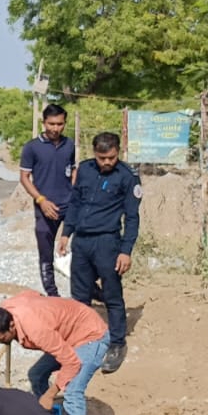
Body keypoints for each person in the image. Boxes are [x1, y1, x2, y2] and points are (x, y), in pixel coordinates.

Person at [58, 132, 142, 374]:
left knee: (112, 296)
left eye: (111, 157)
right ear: (94, 154)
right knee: (80, 296)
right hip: (82, 242)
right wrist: (66, 233)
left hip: (108, 242)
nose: (107, 162)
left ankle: (117, 343)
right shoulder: (84, 170)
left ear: (118, 152)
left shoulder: (127, 177)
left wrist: (126, 251)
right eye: (102, 158)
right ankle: (83, 340)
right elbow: (75, 203)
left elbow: (133, 218)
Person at [19, 104, 76, 296]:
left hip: (69, 205)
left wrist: (75, 193)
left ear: (64, 124)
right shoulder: (32, 147)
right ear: (44, 123)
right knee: (46, 252)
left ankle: (91, 290)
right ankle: (52, 294)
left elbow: (72, 169)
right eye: (51, 124)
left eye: (59, 124)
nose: (55, 128)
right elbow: (24, 178)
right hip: (45, 208)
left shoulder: (69, 144)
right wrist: (41, 200)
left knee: (81, 248)